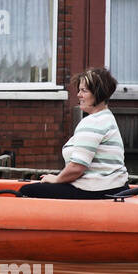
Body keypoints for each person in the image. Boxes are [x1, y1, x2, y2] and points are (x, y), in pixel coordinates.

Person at [18, 67, 128, 199]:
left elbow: (77, 167)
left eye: (84, 91)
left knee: (27, 190)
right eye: (79, 90)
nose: (78, 95)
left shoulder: (93, 121)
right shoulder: (107, 118)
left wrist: (57, 179)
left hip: (96, 189)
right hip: (113, 187)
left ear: (98, 94)